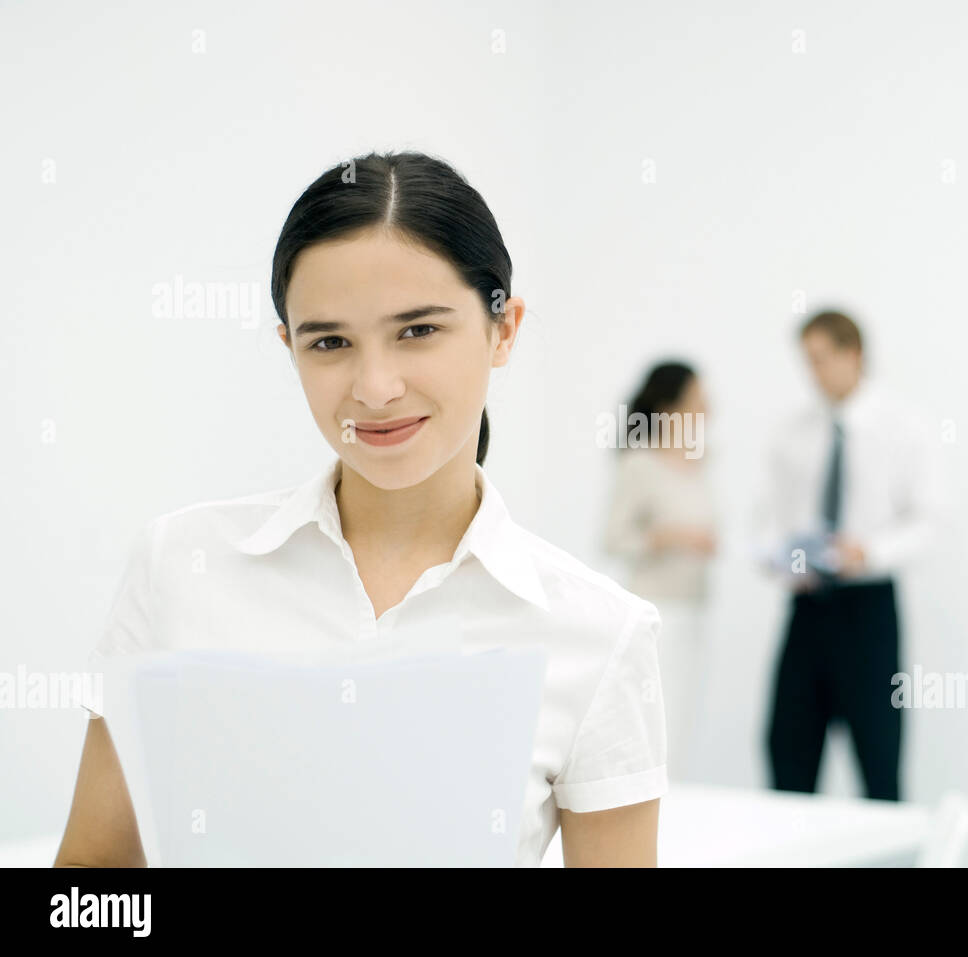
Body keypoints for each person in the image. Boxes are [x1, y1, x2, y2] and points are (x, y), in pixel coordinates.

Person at [54, 150, 668, 868]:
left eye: (418, 330)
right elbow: (87, 886)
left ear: (504, 328)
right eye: (331, 342)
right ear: (289, 347)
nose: (375, 387)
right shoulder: (178, 567)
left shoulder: (599, 632)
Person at [754, 309, 943, 801]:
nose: (812, 372)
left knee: (879, 762)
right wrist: (781, 559)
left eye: (820, 359)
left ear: (853, 353)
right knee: (787, 756)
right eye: (806, 361)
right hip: (807, 609)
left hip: (869, 611)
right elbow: (766, 518)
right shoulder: (792, 432)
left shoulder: (904, 428)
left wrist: (870, 552)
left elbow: (929, 521)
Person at [601, 361, 717, 780]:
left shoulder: (702, 462)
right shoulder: (640, 464)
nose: (706, 410)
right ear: (670, 406)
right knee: (656, 722)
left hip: (694, 609)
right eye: (697, 401)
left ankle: (678, 809)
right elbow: (614, 539)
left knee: (684, 718)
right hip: (657, 612)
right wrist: (670, 537)